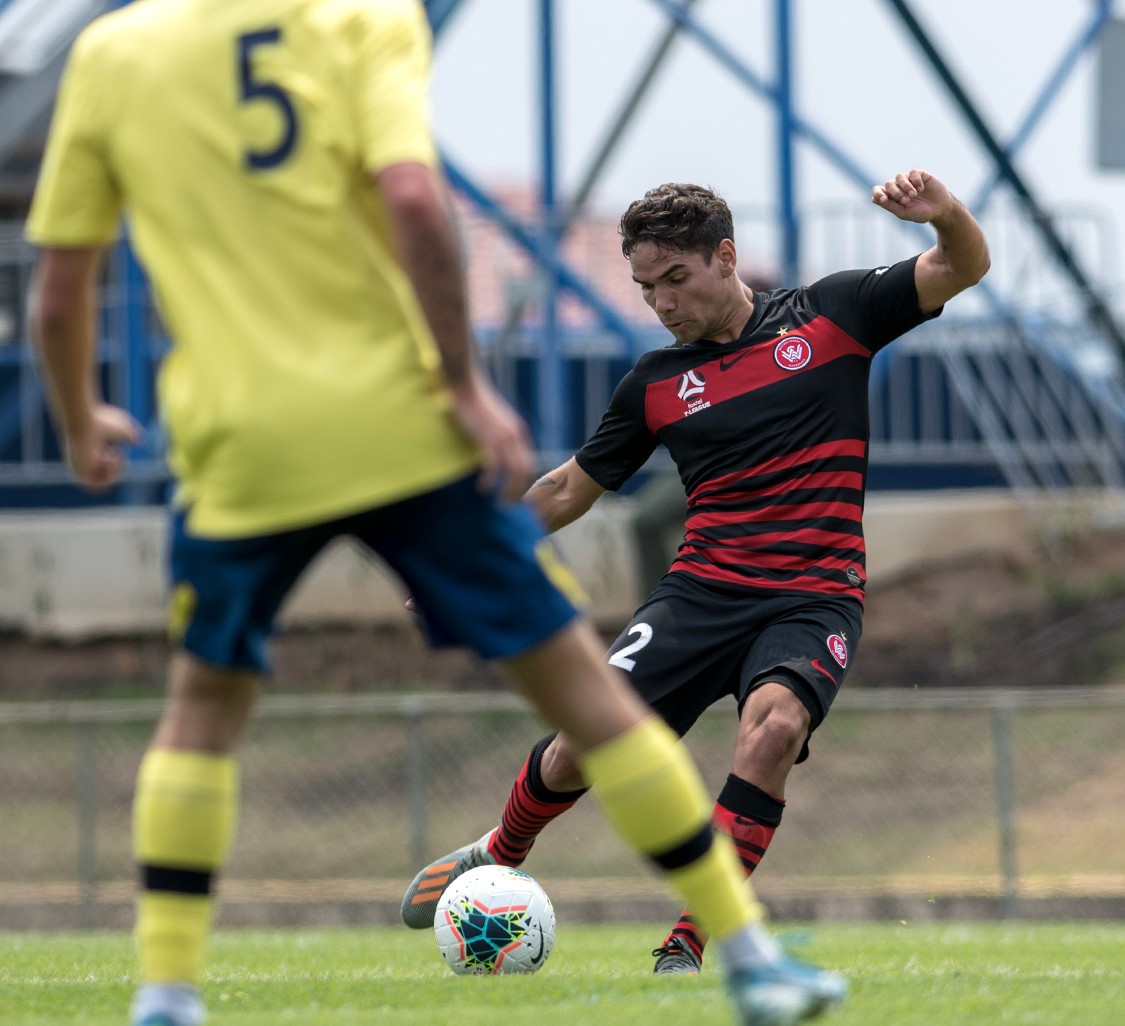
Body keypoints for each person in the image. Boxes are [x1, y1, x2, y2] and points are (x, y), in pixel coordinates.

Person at [23, 0, 842, 1026]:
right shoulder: (360, 19)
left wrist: (80, 417)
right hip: (395, 424)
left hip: (238, 439)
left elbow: (57, 291)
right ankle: (749, 964)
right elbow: (413, 200)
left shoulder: (111, 52)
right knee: (587, 699)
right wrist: (462, 383)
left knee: (200, 716)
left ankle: (164, 1010)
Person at [399, 176, 989, 973]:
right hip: (700, 594)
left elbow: (963, 268)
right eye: (646, 288)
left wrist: (947, 216)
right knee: (584, 747)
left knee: (774, 729)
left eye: (675, 280)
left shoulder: (833, 315)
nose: (661, 302)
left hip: (812, 596)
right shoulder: (654, 383)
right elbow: (570, 487)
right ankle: (498, 852)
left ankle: (691, 938)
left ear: (726, 257)